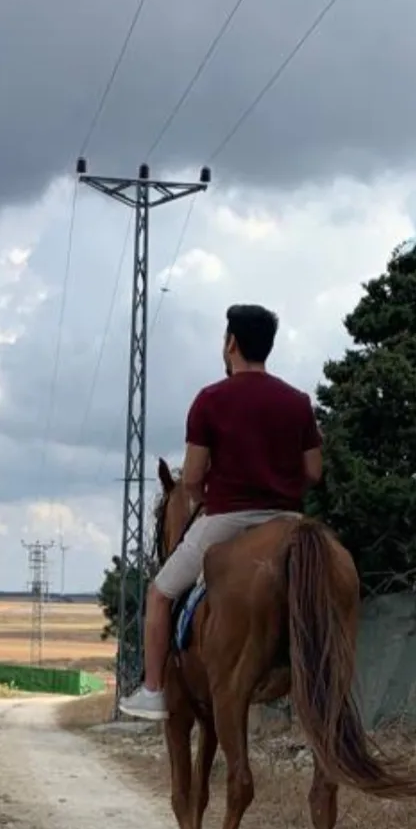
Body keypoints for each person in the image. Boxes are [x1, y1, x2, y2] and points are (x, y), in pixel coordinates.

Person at [118, 303, 323, 722]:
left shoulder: (210, 400)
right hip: (287, 521)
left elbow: (192, 477)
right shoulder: (298, 401)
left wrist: (207, 489)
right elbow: (314, 472)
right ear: (267, 346)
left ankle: (154, 689)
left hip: (227, 518)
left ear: (231, 343)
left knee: (160, 593)